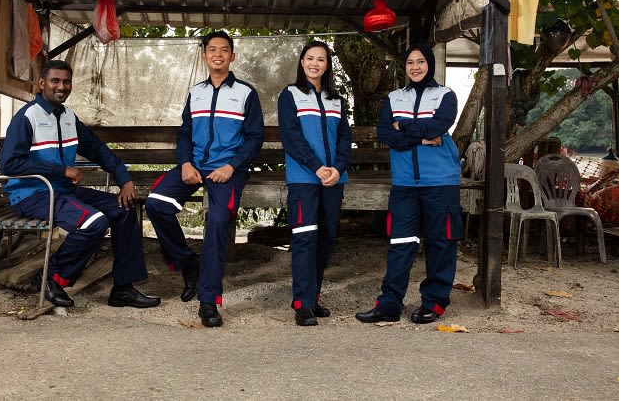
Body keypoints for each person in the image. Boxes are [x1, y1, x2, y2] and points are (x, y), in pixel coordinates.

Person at [0, 60, 160, 309]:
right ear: (42, 83)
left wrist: (124, 178)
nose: (61, 86)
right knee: (92, 222)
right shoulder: (27, 116)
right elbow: (9, 164)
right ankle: (50, 277)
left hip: (62, 191)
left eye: (66, 81)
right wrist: (61, 169)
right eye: (55, 81)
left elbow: (96, 148)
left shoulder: (67, 117)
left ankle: (123, 289)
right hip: (32, 194)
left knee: (124, 209)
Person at [145, 31, 264, 327]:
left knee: (219, 220)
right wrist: (185, 162)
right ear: (205, 55)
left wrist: (232, 165)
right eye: (212, 50)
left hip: (228, 171)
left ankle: (208, 300)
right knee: (156, 203)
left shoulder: (246, 93)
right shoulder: (195, 92)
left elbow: (254, 138)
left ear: (232, 56)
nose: (218, 55)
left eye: (224, 50)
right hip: (195, 166)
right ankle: (189, 263)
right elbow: (185, 132)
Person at [355, 43, 462, 324]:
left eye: (421, 62)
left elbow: (438, 126)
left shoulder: (445, 95)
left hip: (440, 181)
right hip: (404, 183)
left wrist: (402, 127)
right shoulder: (394, 98)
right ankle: (390, 303)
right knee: (400, 242)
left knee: (440, 242)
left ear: (430, 64)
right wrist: (421, 137)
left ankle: (435, 302)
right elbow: (384, 134)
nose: (415, 67)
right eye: (410, 62)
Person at [277, 41, 352, 326]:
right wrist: (317, 168)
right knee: (305, 239)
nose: (315, 63)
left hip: (334, 180)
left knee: (325, 239)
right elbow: (292, 138)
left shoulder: (337, 100)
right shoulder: (291, 95)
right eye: (310, 58)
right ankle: (302, 304)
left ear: (327, 65)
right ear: (301, 62)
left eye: (321, 59)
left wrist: (338, 168)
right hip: (304, 179)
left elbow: (345, 138)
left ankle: (313, 297)